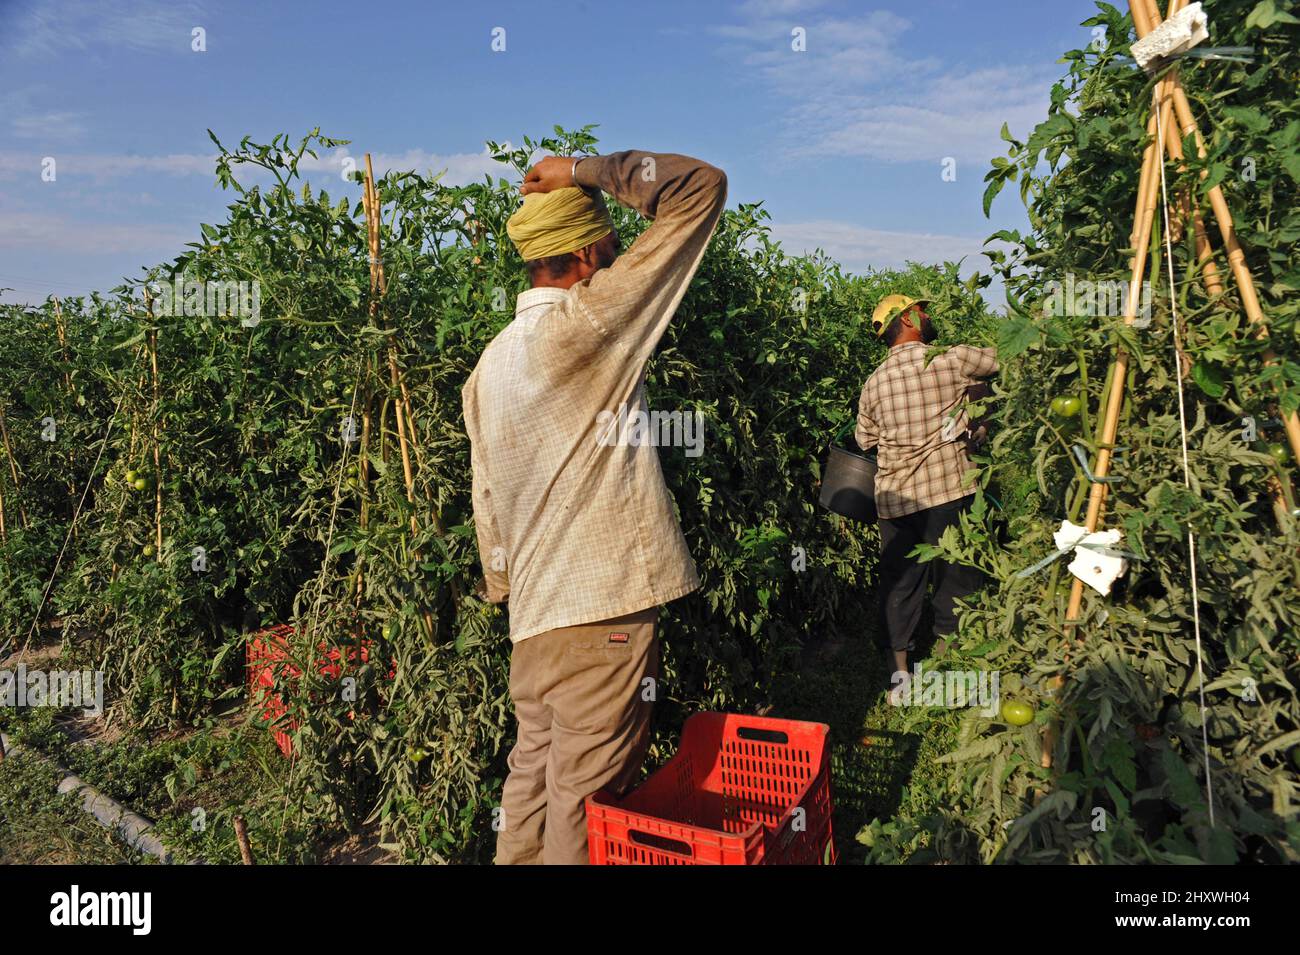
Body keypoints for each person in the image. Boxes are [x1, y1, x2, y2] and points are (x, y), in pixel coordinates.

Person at [461, 150, 727, 864]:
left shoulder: (488, 367)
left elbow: (487, 502)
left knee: (531, 785)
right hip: (602, 618)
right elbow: (699, 187)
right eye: (611, 244)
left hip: (534, 627)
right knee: (587, 804)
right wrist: (581, 169)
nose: (616, 255)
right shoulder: (587, 322)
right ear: (585, 252)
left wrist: (509, 592)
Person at [854, 294, 997, 704]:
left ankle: (900, 679)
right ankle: (953, 666)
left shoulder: (874, 382)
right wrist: (975, 408)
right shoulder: (951, 358)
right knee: (956, 578)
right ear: (910, 318)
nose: (929, 315)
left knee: (900, 585)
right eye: (923, 309)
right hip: (949, 490)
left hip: (896, 500)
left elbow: (864, 439)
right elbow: (1006, 358)